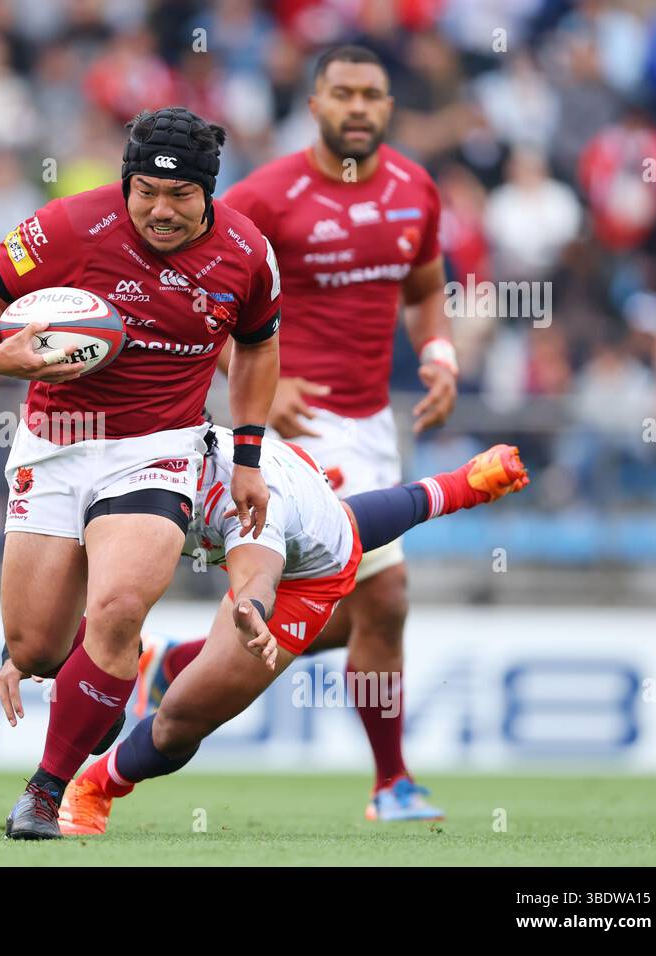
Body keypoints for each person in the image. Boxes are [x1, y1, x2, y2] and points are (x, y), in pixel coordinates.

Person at [0, 106, 283, 839]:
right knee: (37, 648)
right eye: (146, 193)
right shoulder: (71, 224)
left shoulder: (248, 252)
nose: (160, 211)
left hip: (158, 446)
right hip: (56, 439)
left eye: (180, 197)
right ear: (127, 182)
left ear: (209, 193)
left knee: (118, 606)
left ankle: (44, 792)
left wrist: (251, 457)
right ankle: (106, 678)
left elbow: (258, 348)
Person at [0, 428, 528, 834]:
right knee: (340, 521)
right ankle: (147, 668)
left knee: (180, 721)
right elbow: (59, 579)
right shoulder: (122, 465)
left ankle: (97, 785)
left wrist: (252, 608)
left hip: (299, 580)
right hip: (304, 499)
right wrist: (23, 652)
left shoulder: (240, 503)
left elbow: (261, 573)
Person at [216, 45, 458, 819]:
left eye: (374, 95)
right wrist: (256, 381)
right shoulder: (266, 198)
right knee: (385, 598)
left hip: (374, 426)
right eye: (343, 94)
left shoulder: (415, 190)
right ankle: (392, 784)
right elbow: (202, 304)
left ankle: (184, 664)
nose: (359, 108)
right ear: (314, 105)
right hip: (300, 432)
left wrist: (441, 353)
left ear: (390, 107)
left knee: (345, 613)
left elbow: (424, 290)